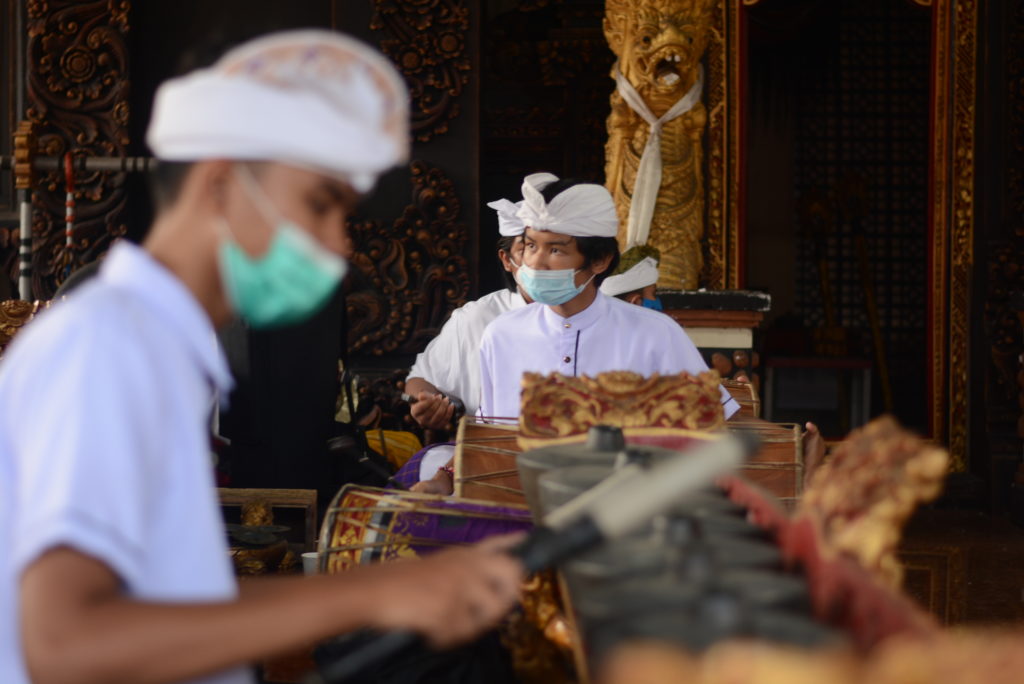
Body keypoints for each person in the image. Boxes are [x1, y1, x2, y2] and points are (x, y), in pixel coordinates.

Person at [0, 31, 522, 684]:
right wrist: (373, 595)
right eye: (319, 205)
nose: (338, 246)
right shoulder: (109, 346)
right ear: (220, 181)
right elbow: (63, 643)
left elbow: (157, 604)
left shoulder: (157, 349)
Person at [478, 174, 741, 420]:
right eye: (531, 246)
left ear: (600, 260)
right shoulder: (501, 334)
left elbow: (718, 423)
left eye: (556, 250)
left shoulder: (655, 334)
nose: (536, 262)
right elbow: (487, 436)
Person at [404, 185, 540, 430]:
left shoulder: (598, 318)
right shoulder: (478, 318)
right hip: (490, 456)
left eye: (554, 250)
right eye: (527, 249)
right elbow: (422, 377)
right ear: (507, 260)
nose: (540, 262)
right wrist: (428, 403)